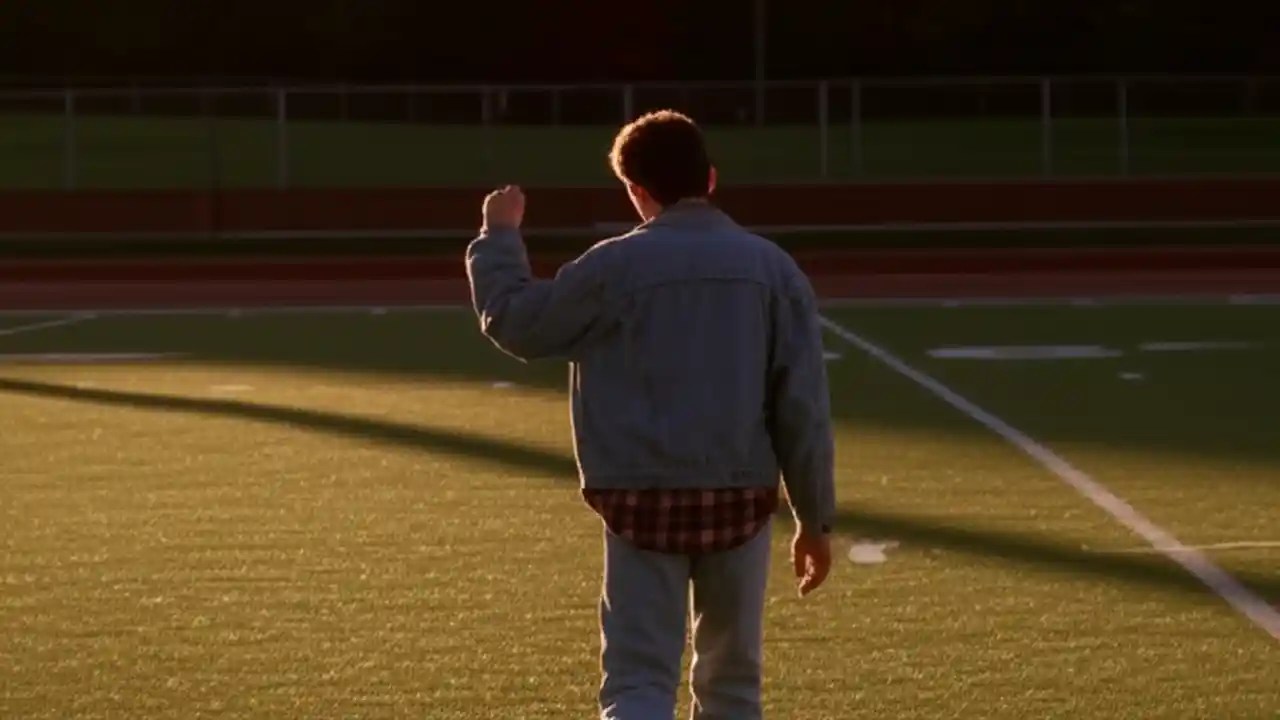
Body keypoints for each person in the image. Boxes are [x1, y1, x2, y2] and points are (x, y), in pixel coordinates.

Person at [465, 109, 836, 720]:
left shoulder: (612, 266)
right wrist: (814, 517)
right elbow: (802, 404)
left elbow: (519, 323)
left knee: (637, 679)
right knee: (732, 682)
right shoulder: (771, 268)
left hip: (638, 495)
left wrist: (500, 237)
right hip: (738, 494)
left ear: (636, 191)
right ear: (710, 179)